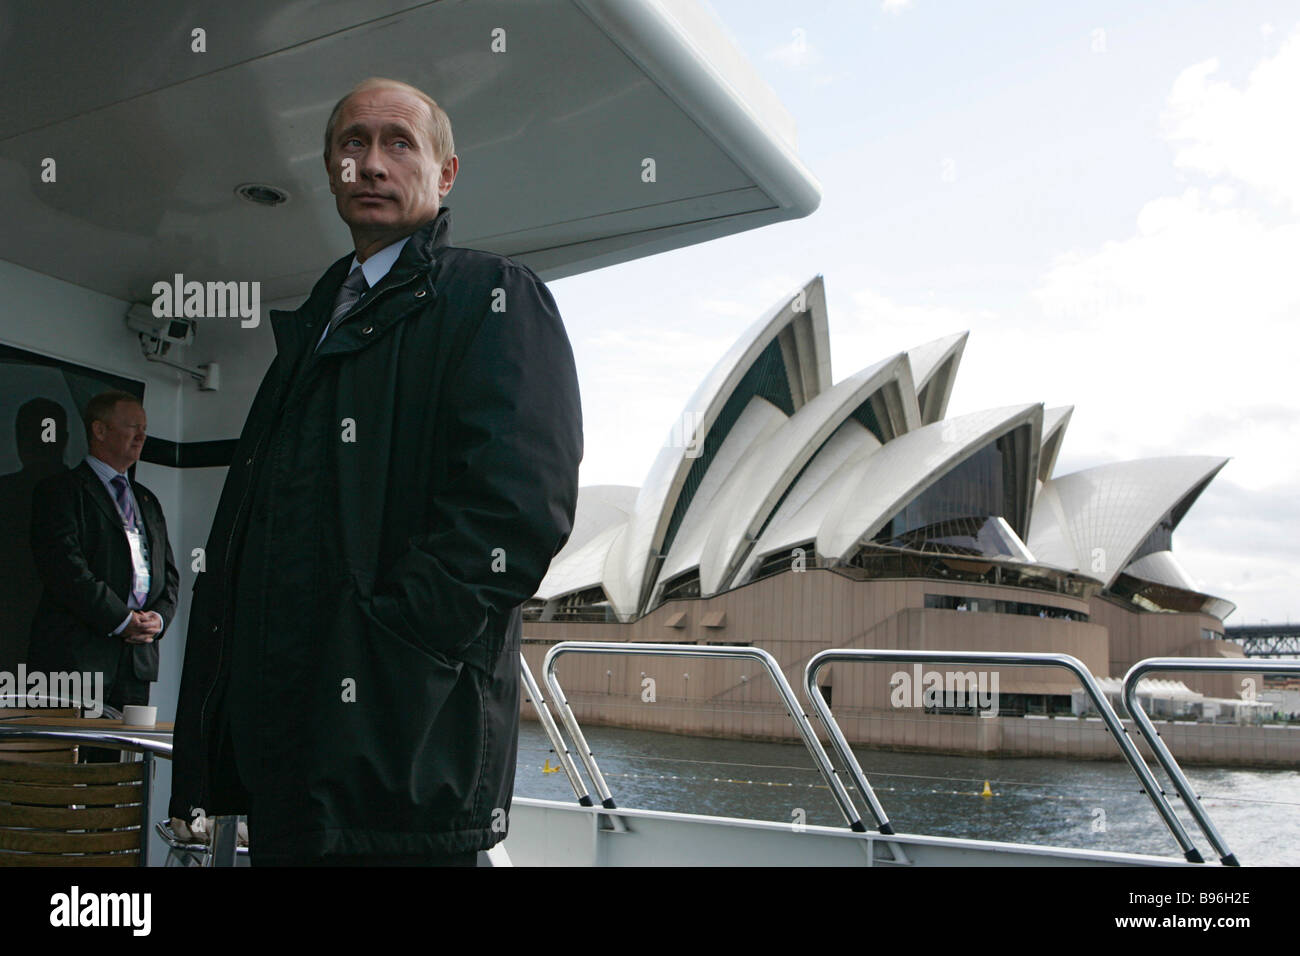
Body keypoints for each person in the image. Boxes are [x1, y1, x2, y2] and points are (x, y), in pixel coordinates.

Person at [170, 77, 583, 866]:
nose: (371, 163)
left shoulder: (492, 296)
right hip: (290, 754)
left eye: (399, 143)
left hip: (401, 753)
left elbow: (517, 510)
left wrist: (390, 656)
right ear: (330, 171)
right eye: (351, 144)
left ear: (445, 173)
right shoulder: (317, 322)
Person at [26, 391, 179, 745]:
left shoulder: (147, 500)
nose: (142, 436)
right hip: (75, 660)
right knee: (71, 770)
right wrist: (122, 619)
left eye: (144, 428)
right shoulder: (60, 491)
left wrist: (158, 619)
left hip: (136, 663)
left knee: (124, 767)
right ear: (99, 430)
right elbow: (66, 570)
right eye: (132, 427)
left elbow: (168, 576)